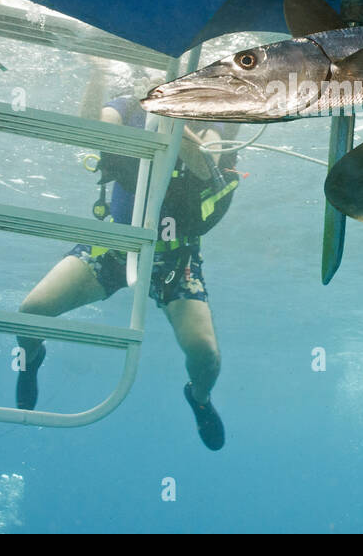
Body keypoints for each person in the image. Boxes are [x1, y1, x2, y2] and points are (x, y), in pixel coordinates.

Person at [13, 68, 241, 451]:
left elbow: (206, 165)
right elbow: (98, 128)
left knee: (205, 355)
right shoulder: (126, 106)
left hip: (175, 255)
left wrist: (168, 121)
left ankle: (198, 398)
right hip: (115, 243)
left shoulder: (209, 114)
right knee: (31, 311)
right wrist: (97, 73)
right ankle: (31, 357)